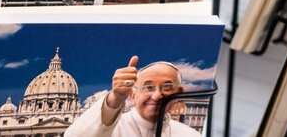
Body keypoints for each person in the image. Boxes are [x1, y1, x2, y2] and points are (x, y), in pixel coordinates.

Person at [65, 56, 200, 137]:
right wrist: (114, 98)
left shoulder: (190, 134)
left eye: (166, 87)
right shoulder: (113, 129)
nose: (157, 96)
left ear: (178, 93)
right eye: (148, 87)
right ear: (132, 95)